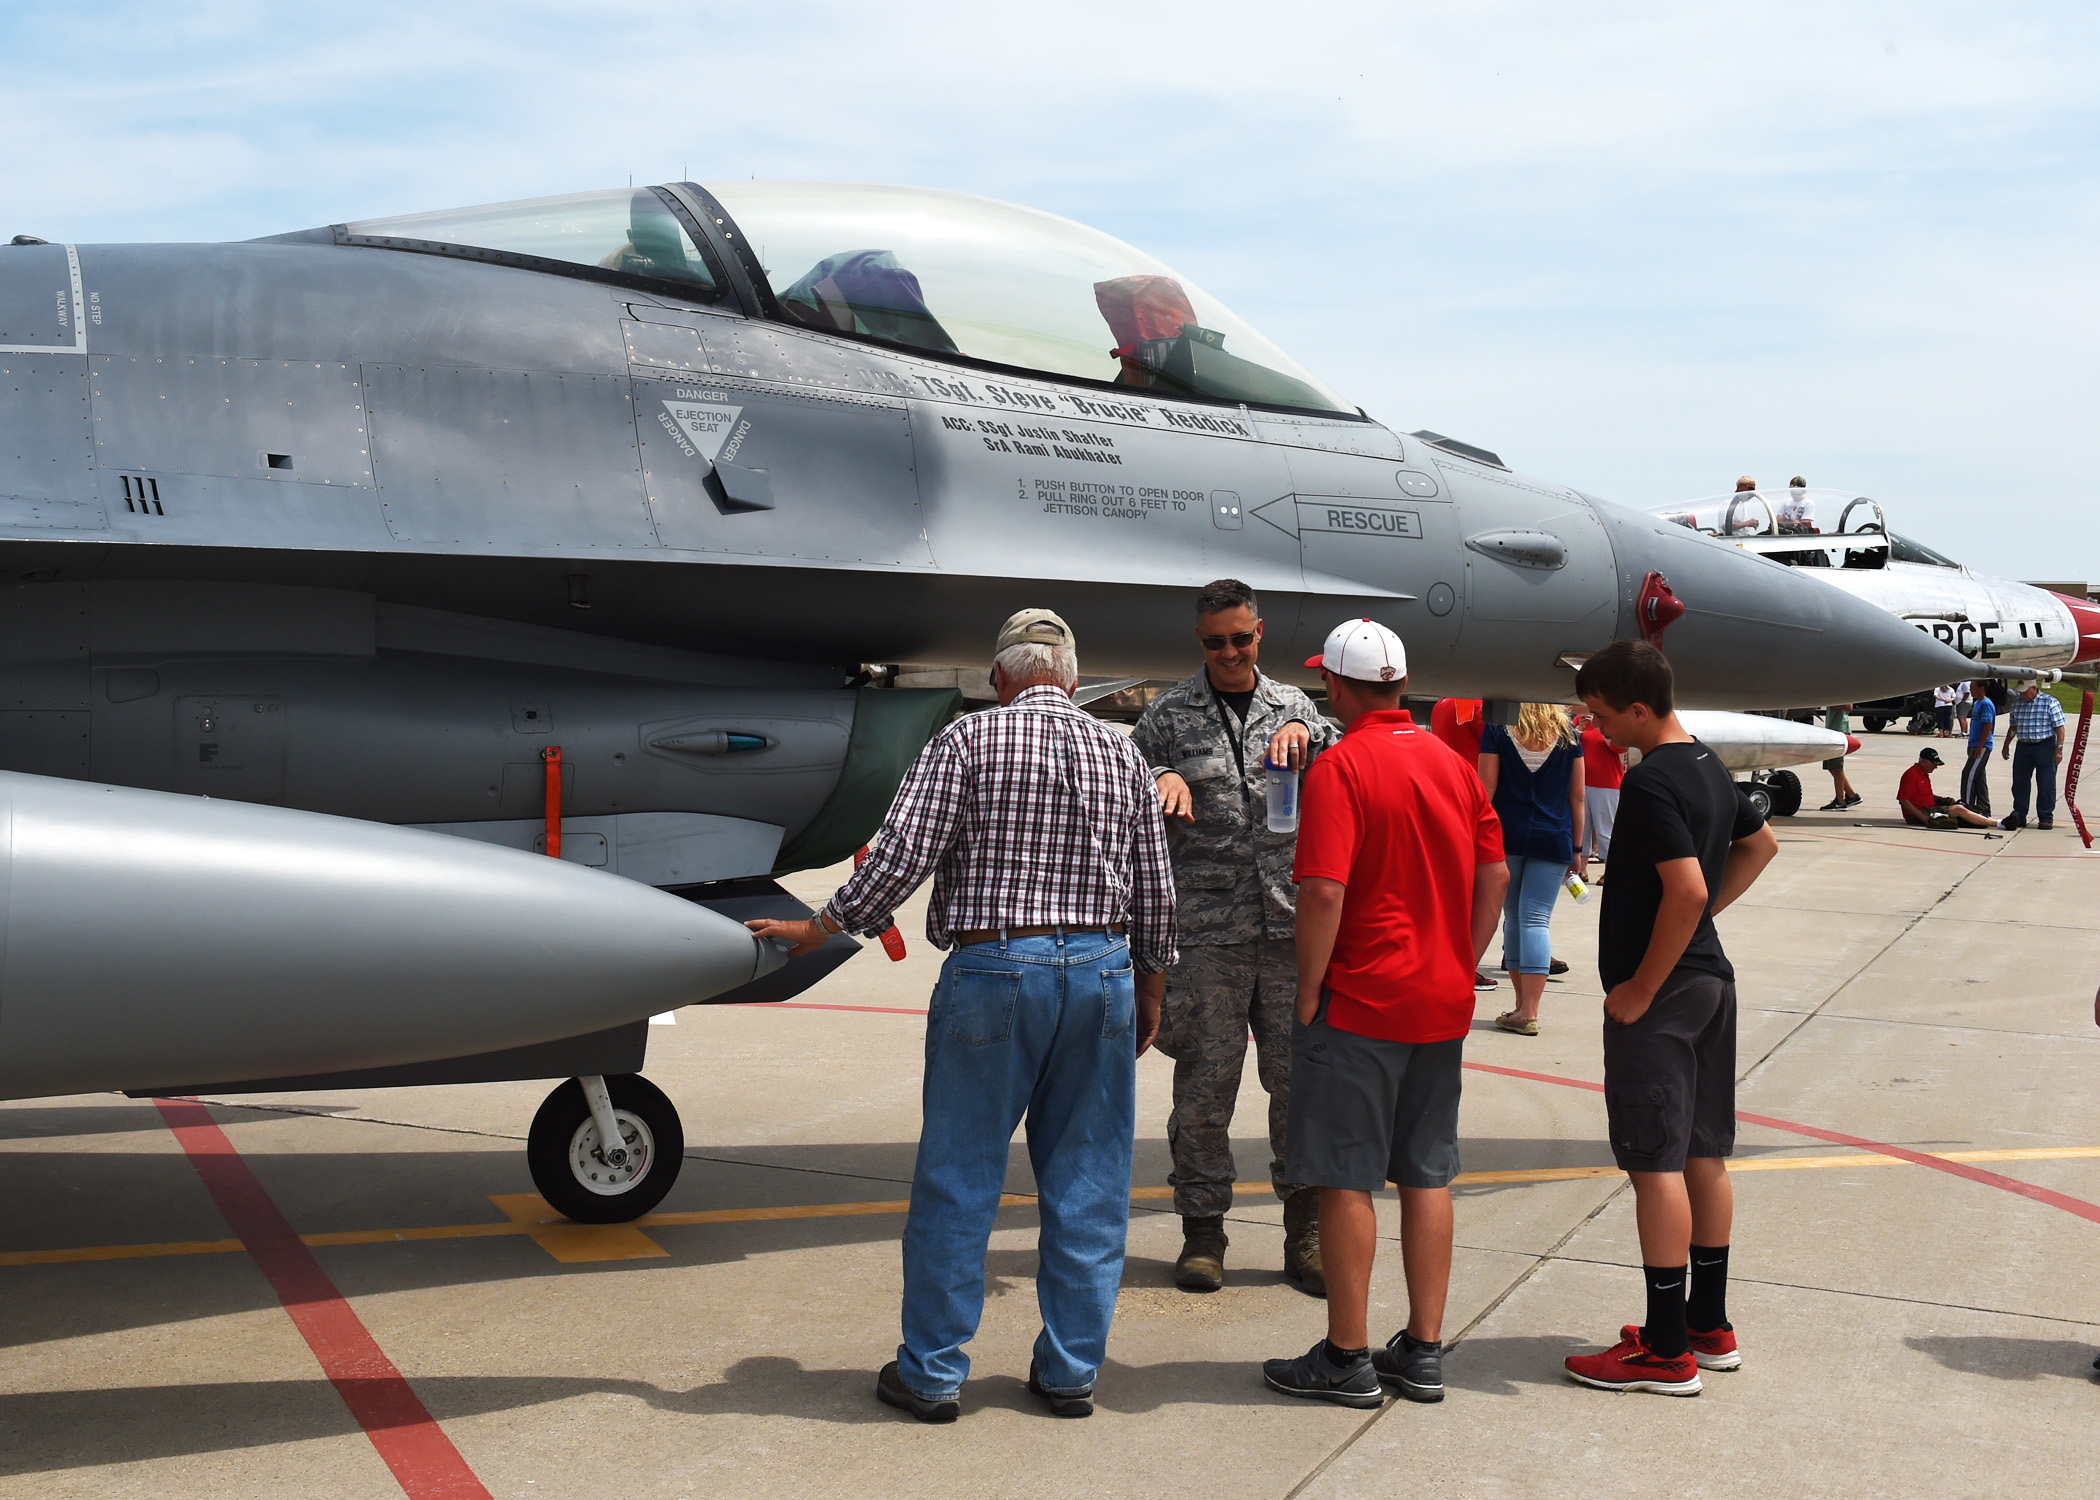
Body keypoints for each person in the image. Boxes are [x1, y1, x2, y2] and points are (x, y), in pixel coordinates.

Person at [748, 608, 1177, 1424]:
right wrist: (1149, 989)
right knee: (1088, 1184)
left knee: (960, 1177)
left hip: (995, 971)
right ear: (1074, 682)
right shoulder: (1122, 752)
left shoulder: (967, 740)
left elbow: (900, 857)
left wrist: (820, 927)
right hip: (1101, 972)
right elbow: (1155, 885)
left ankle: (934, 1372)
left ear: (1000, 679)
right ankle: (1071, 1371)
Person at [1259, 619, 1508, 1408]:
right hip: (1439, 999)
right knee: (1428, 1175)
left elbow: (1323, 892)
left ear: (1336, 685)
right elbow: (1495, 876)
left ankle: (1346, 1354)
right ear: (1400, 684)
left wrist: (1308, 987)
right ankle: (1424, 1349)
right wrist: (1462, 959)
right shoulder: (1450, 763)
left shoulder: (1342, 767)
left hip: (1363, 999)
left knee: (1347, 1178)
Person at [1564, 640, 1778, 1396]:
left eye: (1602, 716)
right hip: (1711, 984)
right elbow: (1761, 845)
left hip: (1667, 995)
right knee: (1701, 1155)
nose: (1598, 729)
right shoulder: (1707, 762)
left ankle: (1664, 1350)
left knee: (1653, 1165)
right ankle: (1706, 1324)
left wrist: (1641, 986)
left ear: (1638, 709)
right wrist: (1697, 925)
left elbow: (1685, 891)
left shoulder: (1653, 779)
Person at [1132, 578, 1339, 1297]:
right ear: (1200, 641)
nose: (1230, 652)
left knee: (1299, 1086)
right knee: (1204, 1088)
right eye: (1217, 642)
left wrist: (1310, 733)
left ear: (1260, 633)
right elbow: (1128, 769)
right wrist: (1160, 773)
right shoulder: (1168, 715)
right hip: (1207, 936)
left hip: (1288, 930)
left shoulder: (1293, 705)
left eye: (1241, 639)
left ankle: (1305, 1230)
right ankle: (1202, 1232)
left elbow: (1346, 752)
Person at [1479, 705, 1584, 1037]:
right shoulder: (1569, 734)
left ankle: (1521, 1005)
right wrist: (1577, 848)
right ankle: (1530, 1009)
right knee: (1537, 919)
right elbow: (1577, 798)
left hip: (1506, 835)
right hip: (1554, 836)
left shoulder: (1498, 729)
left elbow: (1486, 790)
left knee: (1513, 918)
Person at [2000, 681, 2068, 831]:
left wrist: (2059, 748)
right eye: (2020, 692)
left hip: (2045, 746)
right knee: (2020, 782)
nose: (2022, 694)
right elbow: (2013, 727)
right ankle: (2020, 813)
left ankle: (2045, 816)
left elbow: (2060, 728)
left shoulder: (2049, 702)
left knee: (2046, 782)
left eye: (2025, 691)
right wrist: (2006, 744)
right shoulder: (2018, 703)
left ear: (2034, 688)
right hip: (2023, 746)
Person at [1897, 747, 2000, 830]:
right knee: (1958, 809)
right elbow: (1903, 800)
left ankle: (1989, 820)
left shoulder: (1923, 774)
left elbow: (1920, 794)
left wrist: (1941, 799)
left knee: (1962, 806)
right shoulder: (1911, 775)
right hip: (1918, 814)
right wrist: (1923, 818)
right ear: (1923, 762)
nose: (1935, 767)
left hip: (1928, 809)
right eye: (1933, 764)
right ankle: (1998, 823)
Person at [1580, 712, 1625, 864]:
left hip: (1607, 784)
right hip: (1581, 782)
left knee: (1606, 830)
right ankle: (1581, 869)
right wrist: (1579, 729)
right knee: (1581, 829)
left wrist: (1600, 728)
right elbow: (1569, 746)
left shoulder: (1614, 721)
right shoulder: (1581, 719)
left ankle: (1610, 869)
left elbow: (1620, 748)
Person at [1960, 680, 1997, 815]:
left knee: (1968, 775)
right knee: (1979, 777)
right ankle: (1984, 807)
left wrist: (1980, 746)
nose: (1971, 691)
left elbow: (1988, 726)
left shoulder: (1986, 704)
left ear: (1982, 688)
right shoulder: (1977, 703)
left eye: (1973, 688)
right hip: (1974, 744)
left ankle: (1967, 807)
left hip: (1982, 746)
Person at [1819, 704, 1859, 810]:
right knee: (1831, 767)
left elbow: (1849, 707)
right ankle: (1851, 795)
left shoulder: (1840, 694)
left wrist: (1830, 702)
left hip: (1839, 731)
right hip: (1832, 730)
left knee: (1836, 767)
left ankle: (1840, 801)